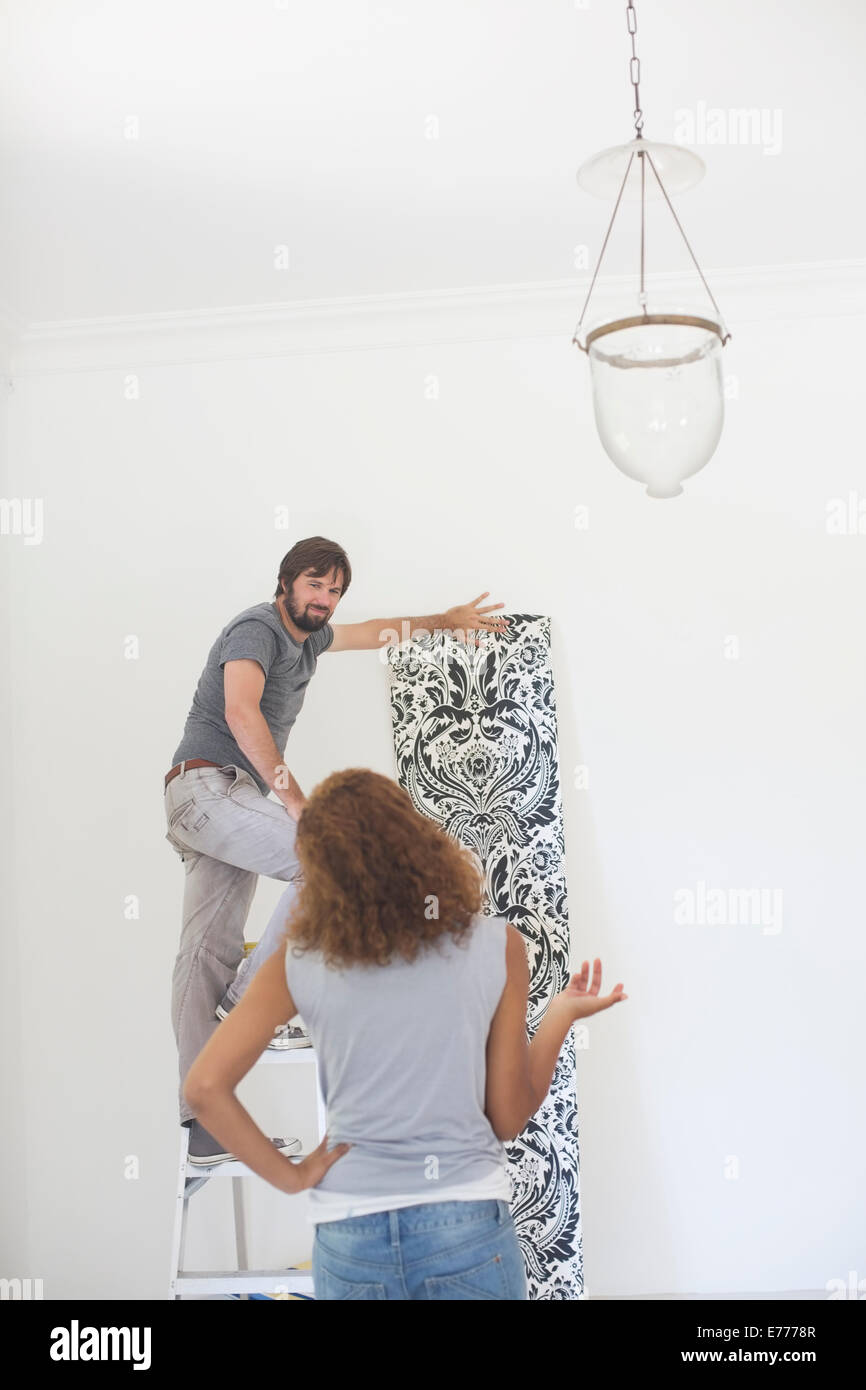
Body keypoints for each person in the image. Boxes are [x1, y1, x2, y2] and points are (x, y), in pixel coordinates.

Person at [183, 767, 628, 1301]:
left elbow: (203, 1087)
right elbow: (507, 1119)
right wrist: (558, 1017)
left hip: (351, 1236)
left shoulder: (298, 962)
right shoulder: (496, 945)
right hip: (464, 1228)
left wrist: (293, 1177)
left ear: (321, 868)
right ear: (414, 840)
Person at [164, 534, 508, 1166]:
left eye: (334, 589)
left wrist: (443, 622)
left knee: (204, 952)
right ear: (287, 582)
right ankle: (252, 1004)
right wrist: (294, 799)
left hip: (212, 803)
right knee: (326, 860)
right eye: (314, 584)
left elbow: (373, 632)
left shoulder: (312, 640)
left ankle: (202, 1126)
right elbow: (242, 712)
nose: (323, 599)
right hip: (207, 788)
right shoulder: (256, 628)